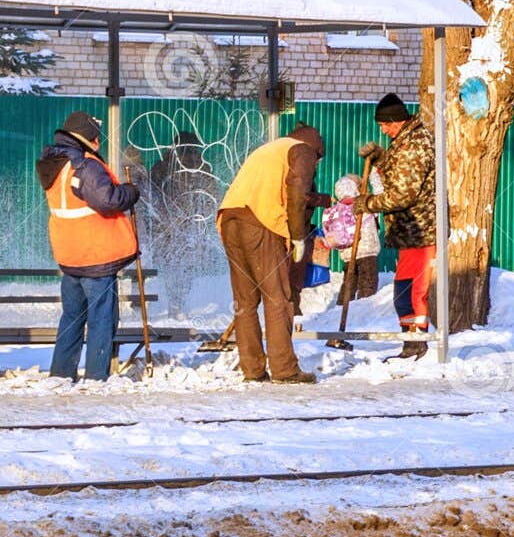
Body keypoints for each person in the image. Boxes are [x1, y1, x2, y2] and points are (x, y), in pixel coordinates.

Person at [217, 122, 328, 384]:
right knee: (278, 297)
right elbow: (297, 192)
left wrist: (323, 200)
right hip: (260, 223)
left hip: (230, 219)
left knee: (245, 301)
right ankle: (285, 369)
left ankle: (253, 369)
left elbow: (292, 191)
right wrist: (299, 235)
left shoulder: (272, 149)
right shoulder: (303, 150)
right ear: (315, 149)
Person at [36, 111, 139, 383]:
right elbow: (108, 200)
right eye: (95, 138)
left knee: (72, 316)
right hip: (95, 254)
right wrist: (130, 192)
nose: (98, 143)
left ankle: (61, 373)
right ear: (87, 139)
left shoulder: (56, 164)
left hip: (70, 255)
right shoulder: (84, 166)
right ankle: (96, 375)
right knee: (101, 318)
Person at [357, 93, 438, 359]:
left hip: (420, 230)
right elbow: (399, 175)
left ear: (396, 121)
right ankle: (410, 342)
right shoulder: (406, 141)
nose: (382, 129)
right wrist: (381, 160)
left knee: (412, 291)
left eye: (384, 124)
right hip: (410, 231)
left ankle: (416, 344)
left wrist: (368, 204)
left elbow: (403, 194)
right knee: (404, 290)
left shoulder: (413, 145)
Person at [149, 131, 221, 318]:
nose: (191, 156)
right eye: (188, 151)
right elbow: (212, 196)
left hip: (176, 226)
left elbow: (211, 195)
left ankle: (176, 302)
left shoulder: (164, 166)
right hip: (180, 226)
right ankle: (176, 302)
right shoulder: (194, 167)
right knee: (179, 266)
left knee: (176, 266)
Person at [321, 171, 384, 304]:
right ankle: (364, 309)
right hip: (367, 253)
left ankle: (341, 309)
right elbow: (380, 194)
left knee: (348, 283)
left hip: (348, 254)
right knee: (367, 283)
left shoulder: (337, 209)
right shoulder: (365, 204)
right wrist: (374, 175)